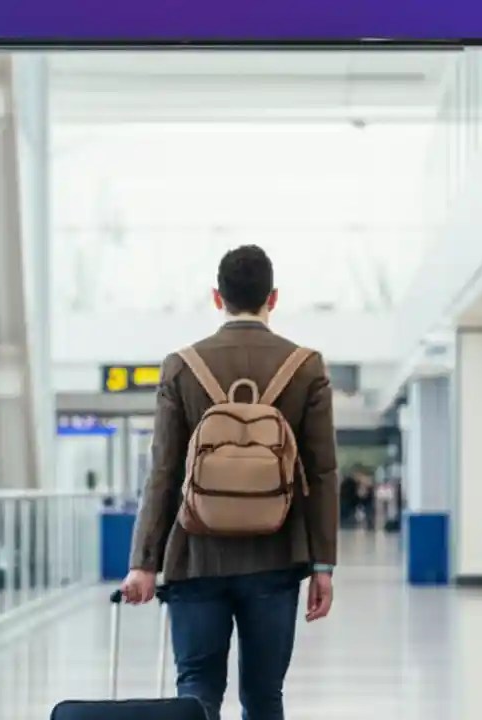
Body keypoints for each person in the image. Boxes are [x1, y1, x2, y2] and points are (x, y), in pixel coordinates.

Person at [120, 245, 339, 720]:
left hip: (195, 555)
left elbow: (163, 472)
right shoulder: (305, 366)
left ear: (217, 297)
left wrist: (143, 562)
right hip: (277, 555)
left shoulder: (181, 365)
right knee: (264, 695)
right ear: (273, 298)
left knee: (196, 690)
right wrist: (323, 564)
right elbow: (322, 472)